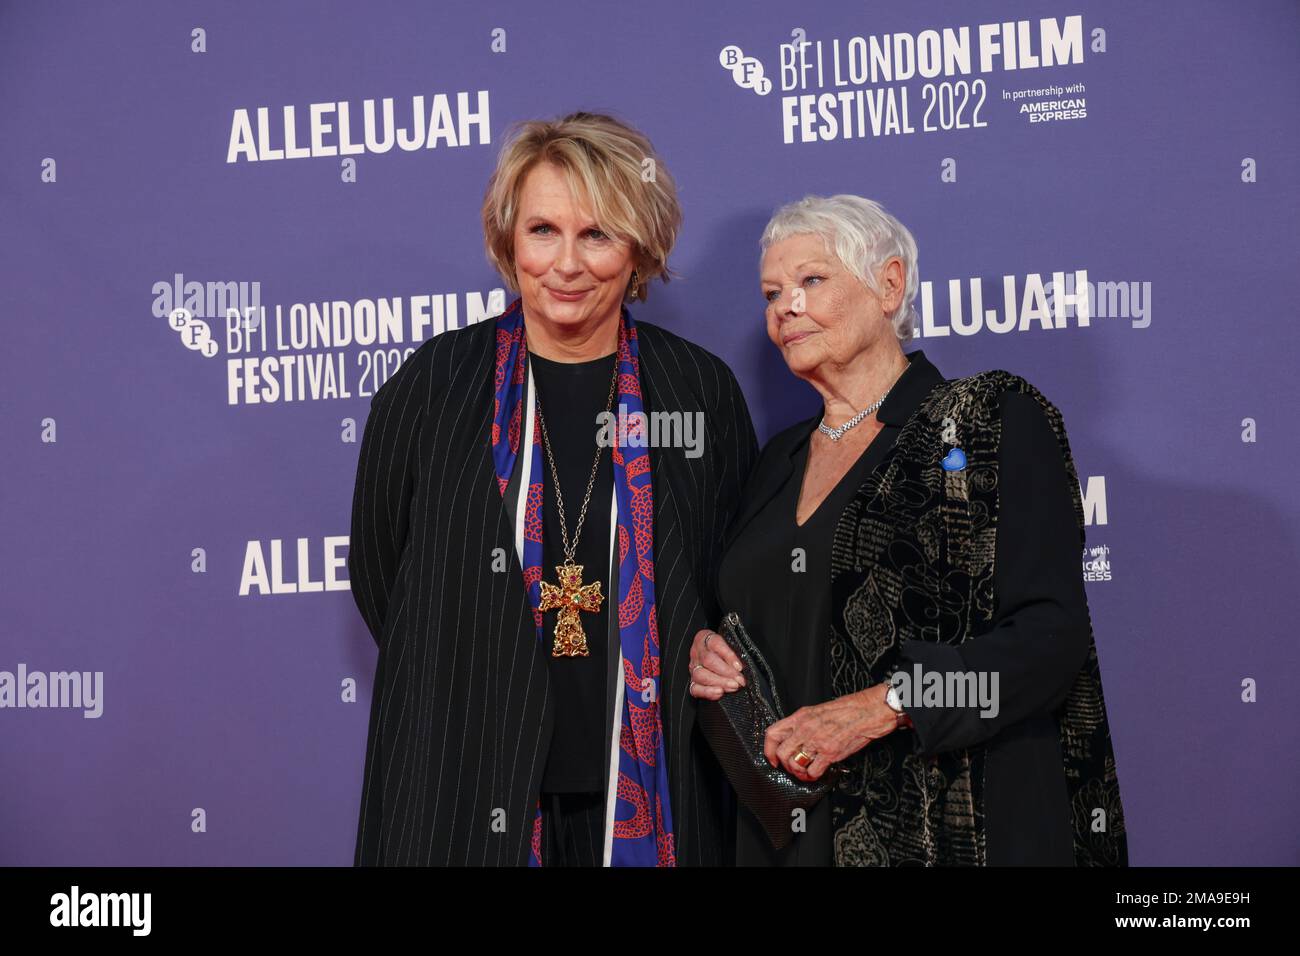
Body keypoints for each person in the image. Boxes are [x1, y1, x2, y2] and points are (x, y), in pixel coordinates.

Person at [348, 112, 757, 866]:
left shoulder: (696, 392)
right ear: (508, 241)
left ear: (640, 250)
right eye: (543, 231)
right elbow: (385, 579)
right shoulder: (435, 387)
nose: (566, 264)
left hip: (655, 783)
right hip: (465, 783)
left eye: (597, 234)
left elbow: (725, 578)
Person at [688, 194, 1127, 866]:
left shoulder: (986, 421)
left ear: (888, 284)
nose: (785, 307)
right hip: (788, 828)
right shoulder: (776, 459)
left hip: (945, 823)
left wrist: (883, 705)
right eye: (772, 292)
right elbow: (761, 618)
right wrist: (710, 655)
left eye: (812, 280)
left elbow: (1049, 641)